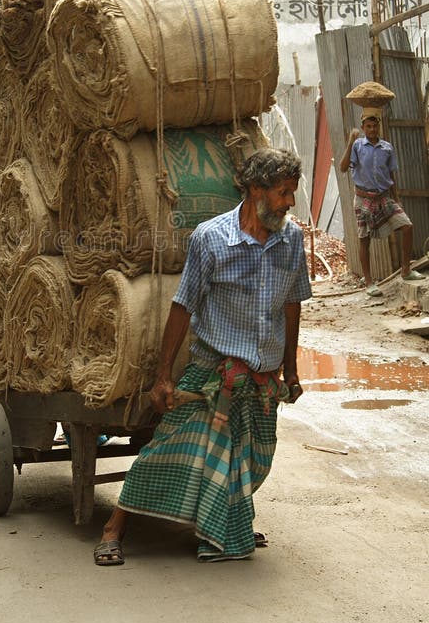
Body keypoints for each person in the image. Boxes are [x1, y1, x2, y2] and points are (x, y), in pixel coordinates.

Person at [94, 148, 312, 566]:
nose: (289, 203)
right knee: (166, 453)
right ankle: (113, 528)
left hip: (262, 380)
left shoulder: (292, 239)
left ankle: (224, 521)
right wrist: (164, 377)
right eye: (283, 193)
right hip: (214, 376)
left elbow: (292, 305)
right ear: (255, 190)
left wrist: (292, 368)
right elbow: (183, 307)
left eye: (292, 193)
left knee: (252, 460)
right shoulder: (210, 239)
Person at [339, 113, 424, 297]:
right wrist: (350, 142)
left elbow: (391, 175)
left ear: (379, 127)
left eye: (374, 126)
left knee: (407, 226)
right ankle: (369, 283)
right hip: (364, 199)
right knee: (364, 239)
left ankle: (406, 270)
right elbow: (343, 167)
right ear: (363, 128)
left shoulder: (387, 148)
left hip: (385, 197)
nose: (372, 130)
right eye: (368, 126)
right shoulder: (357, 146)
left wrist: (397, 197)